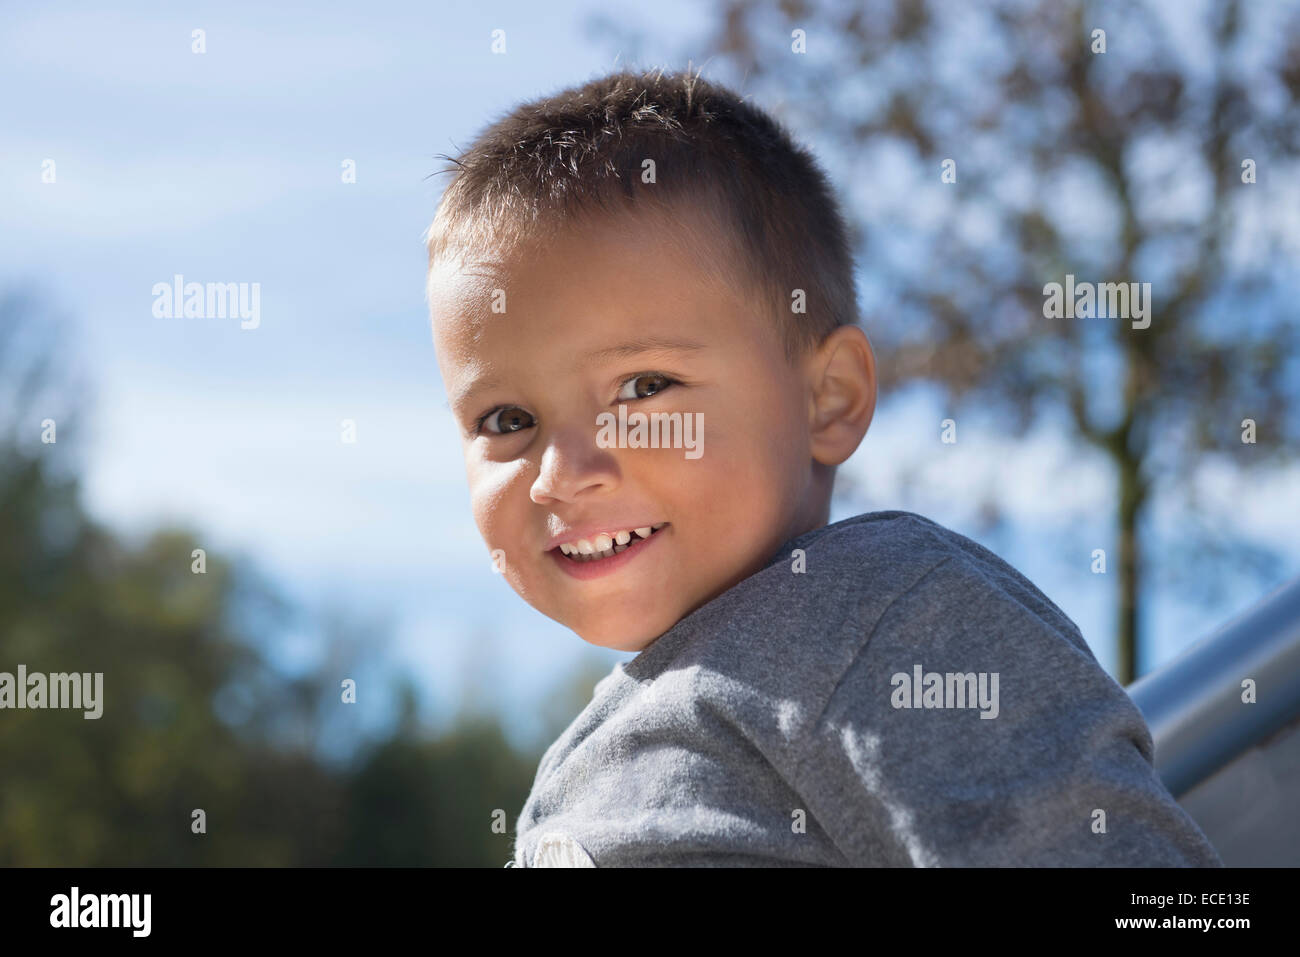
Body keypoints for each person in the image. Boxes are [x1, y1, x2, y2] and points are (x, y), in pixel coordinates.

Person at [423, 67, 1222, 867]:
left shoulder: (880, 618)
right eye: (507, 420)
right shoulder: (606, 740)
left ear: (828, 399)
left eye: (642, 388)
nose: (560, 472)